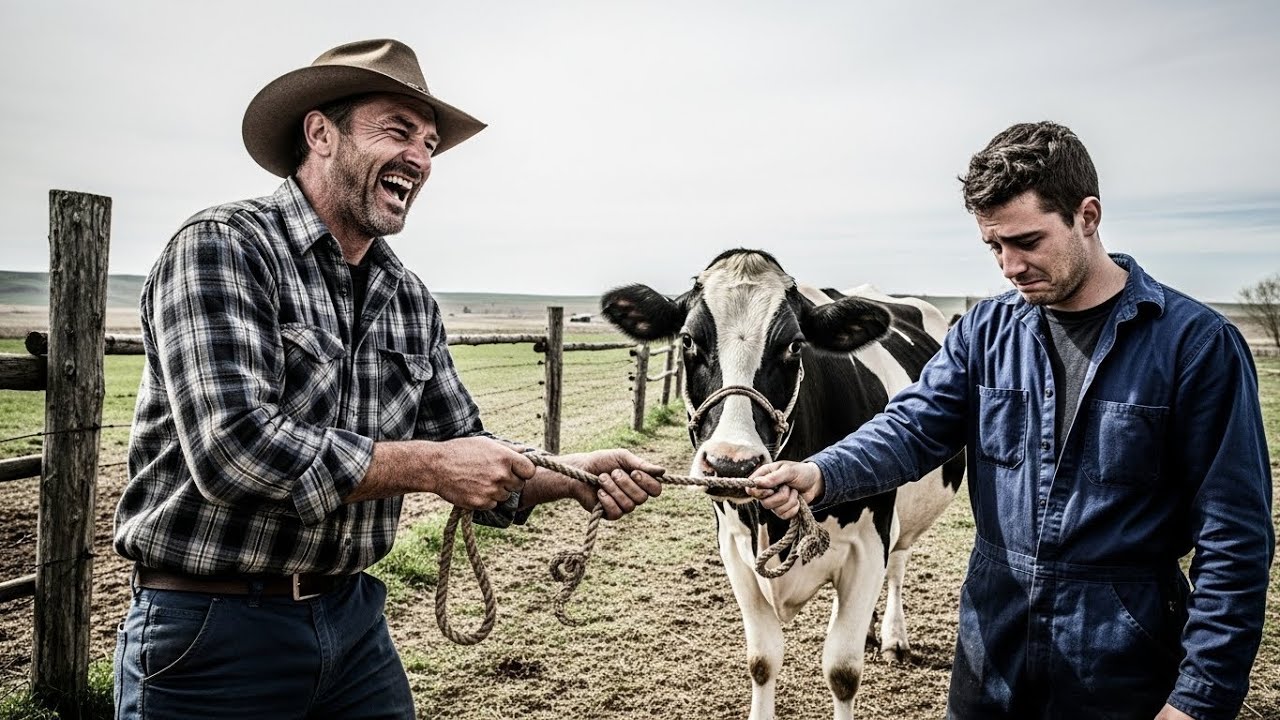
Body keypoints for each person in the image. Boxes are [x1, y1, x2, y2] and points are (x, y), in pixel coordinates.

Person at [111, 39, 664, 719]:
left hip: (353, 624)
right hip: (211, 631)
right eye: (398, 132)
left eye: (429, 145)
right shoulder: (224, 246)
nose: (420, 159)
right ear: (321, 134)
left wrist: (575, 475)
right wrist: (431, 466)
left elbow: (466, 449)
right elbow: (235, 451)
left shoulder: (407, 296)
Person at [748, 121, 1273, 720]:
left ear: (1088, 216)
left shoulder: (1196, 346)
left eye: (1027, 241)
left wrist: (1199, 699)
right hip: (990, 651)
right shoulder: (985, 332)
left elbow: (1235, 538)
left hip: (1124, 660)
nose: (1009, 266)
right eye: (994, 246)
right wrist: (821, 473)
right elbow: (912, 428)